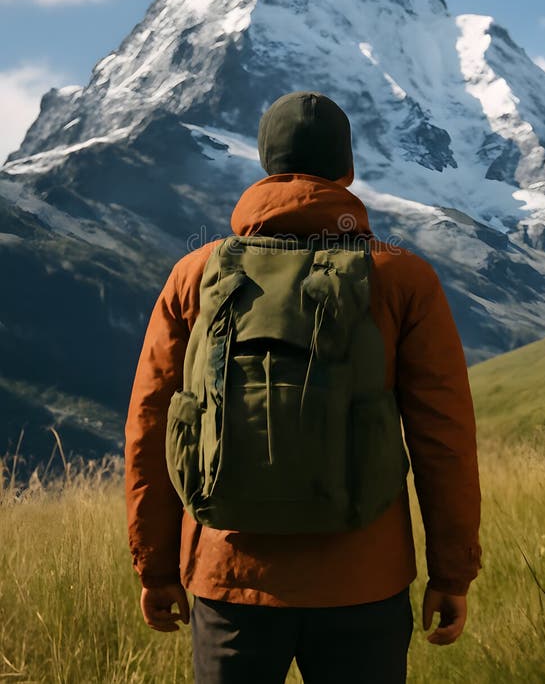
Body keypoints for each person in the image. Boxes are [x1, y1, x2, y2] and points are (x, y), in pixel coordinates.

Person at [125, 90, 482, 684]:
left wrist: (155, 568)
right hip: (364, 581)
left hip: (228, 574)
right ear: (347, 170)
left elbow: (152, 424)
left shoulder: (197, 273)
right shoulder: (400, 276)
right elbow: (444, 438)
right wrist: (451, 574)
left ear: (267, 165)